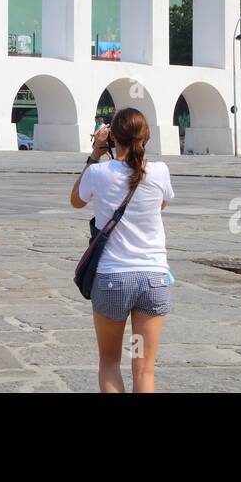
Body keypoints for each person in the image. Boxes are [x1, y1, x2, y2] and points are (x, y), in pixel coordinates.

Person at [71, 108, 174, 393]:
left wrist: (96, 153)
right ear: (146, 137)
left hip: (113, 279)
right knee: (143, 368)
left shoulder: (98, 172)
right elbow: (160, 205)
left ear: (113, 137)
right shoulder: (160, 171)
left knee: (109, 360)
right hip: (153, 279)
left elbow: (76, 201)